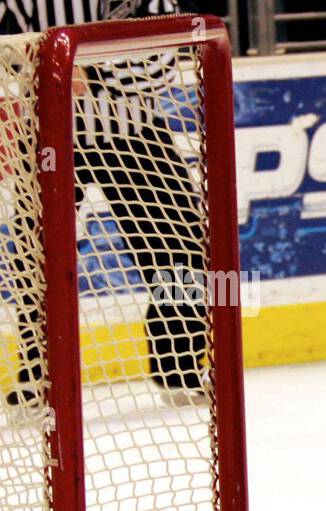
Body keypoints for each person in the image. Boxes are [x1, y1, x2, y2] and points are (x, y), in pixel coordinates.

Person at [2, 0, 209, 409]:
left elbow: (164, 65)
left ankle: (180, 367)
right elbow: (8, 50)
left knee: (182, 245)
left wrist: (94, 67)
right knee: (36, 257)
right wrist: (40, 61)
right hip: (49, 135)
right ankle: (36, 375)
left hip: (134, 131)